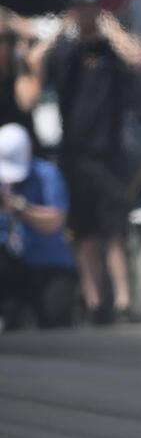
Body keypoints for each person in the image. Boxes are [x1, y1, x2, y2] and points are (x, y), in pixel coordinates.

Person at [37, 0, 141, 321]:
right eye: (81, 9)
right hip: (76, 155)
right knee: (86, 233)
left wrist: (109, 26)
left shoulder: (110, 50)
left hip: (110, 154)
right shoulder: (66, 51)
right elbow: (35, 61)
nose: (87, 15)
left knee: (114, 231)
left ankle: (124, 303)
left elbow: (138, 57)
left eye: (92, 9)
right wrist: (61, 26)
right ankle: (95, 302)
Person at [0, 123, 77, 329]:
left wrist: (19, 207)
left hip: (49, 265)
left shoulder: (47, 174)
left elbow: (55, 220)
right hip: (13, 263)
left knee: (54, 319)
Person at [0, 7, 40, 138]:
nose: (3, 46)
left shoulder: (21, 68)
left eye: (6, 39)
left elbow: (26, 103)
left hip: (23, 147)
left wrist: (19, 62)